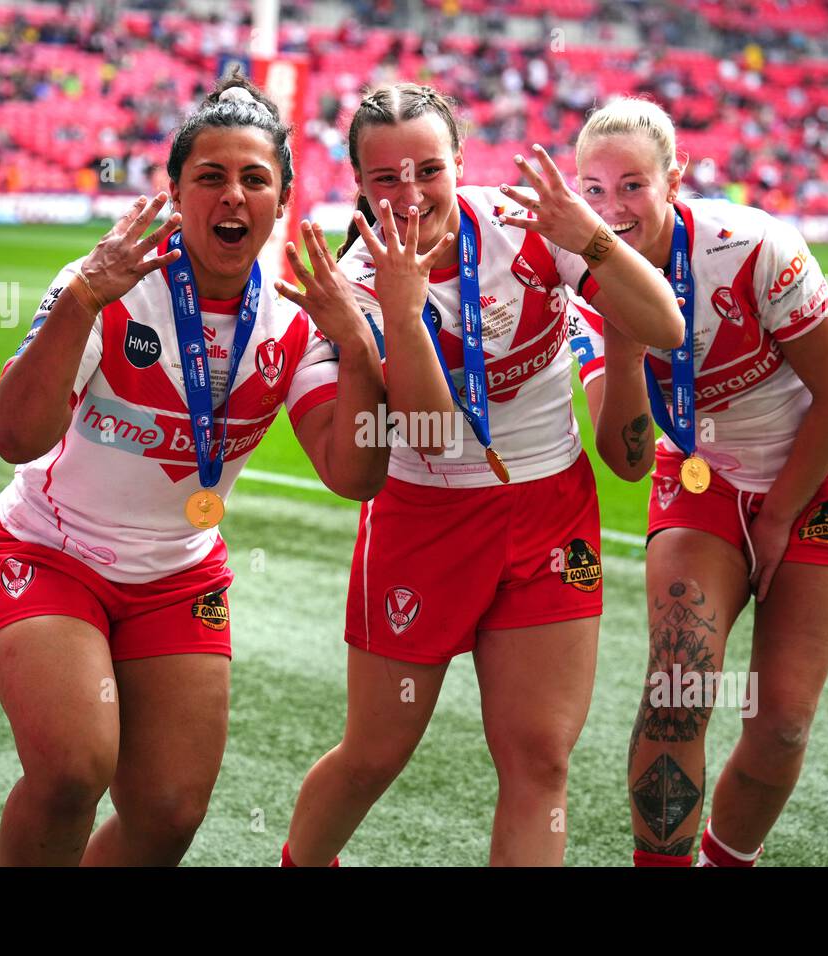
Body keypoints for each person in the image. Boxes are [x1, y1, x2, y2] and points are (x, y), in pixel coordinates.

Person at [0, 74, 389, 866]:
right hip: (50, 555)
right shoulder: (110, 285)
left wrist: (360, 349)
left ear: (282, 199)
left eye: (254, 179)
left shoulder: (296, 319)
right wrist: (81, 300)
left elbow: (354, 474)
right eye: (210, 177)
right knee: (72, 769)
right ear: (175, 191)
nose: (232, 197)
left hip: (177, 576)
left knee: (168, 814)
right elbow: (14, 436)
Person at [281, 82, 683, 867]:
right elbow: (431, 436)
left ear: (461, 163)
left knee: (540, 759)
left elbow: (664, 322)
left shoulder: (527, 225)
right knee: (375, 754)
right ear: (358, 185)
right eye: (385, 178)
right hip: (423, 521)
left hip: (550, 508)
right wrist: (401, 311)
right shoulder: (354, 283)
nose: (409, 194)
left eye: (428, 169)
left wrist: (593, 237)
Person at [573, 97, 828, 867]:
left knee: (781, 724)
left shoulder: (753, 247)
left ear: (674, 179)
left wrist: (775, 519)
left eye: (633, 185)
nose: (613, 209)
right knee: (677, 688)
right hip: (699, 476)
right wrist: (623, 334)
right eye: (594, 191)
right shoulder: (577, 278)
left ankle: (725, 858)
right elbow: (631, 458)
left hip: (819, 472)